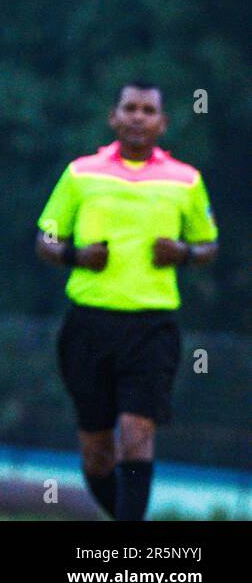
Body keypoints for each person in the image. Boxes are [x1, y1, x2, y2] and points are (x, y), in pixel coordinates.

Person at [36, 82, 218, 521]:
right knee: (98, 454)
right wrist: (76, 255)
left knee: (138, 433)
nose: (138, 117)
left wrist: (185, 253)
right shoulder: (81, 173)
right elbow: (46, 238)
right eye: (129, 108)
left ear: (162, 122)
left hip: (152, 327)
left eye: (148, 110)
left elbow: (209, 244)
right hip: (88, 326)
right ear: (114, 117)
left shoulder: (186, 180)